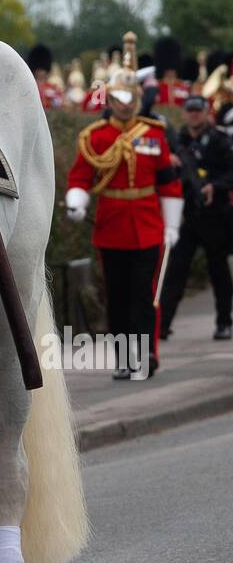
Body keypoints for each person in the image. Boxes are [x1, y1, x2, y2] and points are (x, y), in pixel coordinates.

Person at [65, 33, 183, 381]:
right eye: (119, 98)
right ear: (111, 100)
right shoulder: (96, 137)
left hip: (148, 226)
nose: (125, 104)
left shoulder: (153, 134)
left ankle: (145, 355)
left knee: (143, 297)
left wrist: (172, 224)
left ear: (137, 98)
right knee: (117, 298)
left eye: (130, 98)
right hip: (112, 226)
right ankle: (123, 358)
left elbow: (167, 183)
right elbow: (80, 177)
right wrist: (76, 201)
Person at [160, 96, 233, 341]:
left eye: (197, 111)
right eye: (189, 110)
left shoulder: (220, 141)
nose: (193, 115)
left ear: (205, 112)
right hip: (189, 216)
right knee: (176, 272)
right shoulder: (177, 141)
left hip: (215, 217)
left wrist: (216, 186)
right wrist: (171, 164)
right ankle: (163, 325)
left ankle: (224, 322)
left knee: (219, 272)